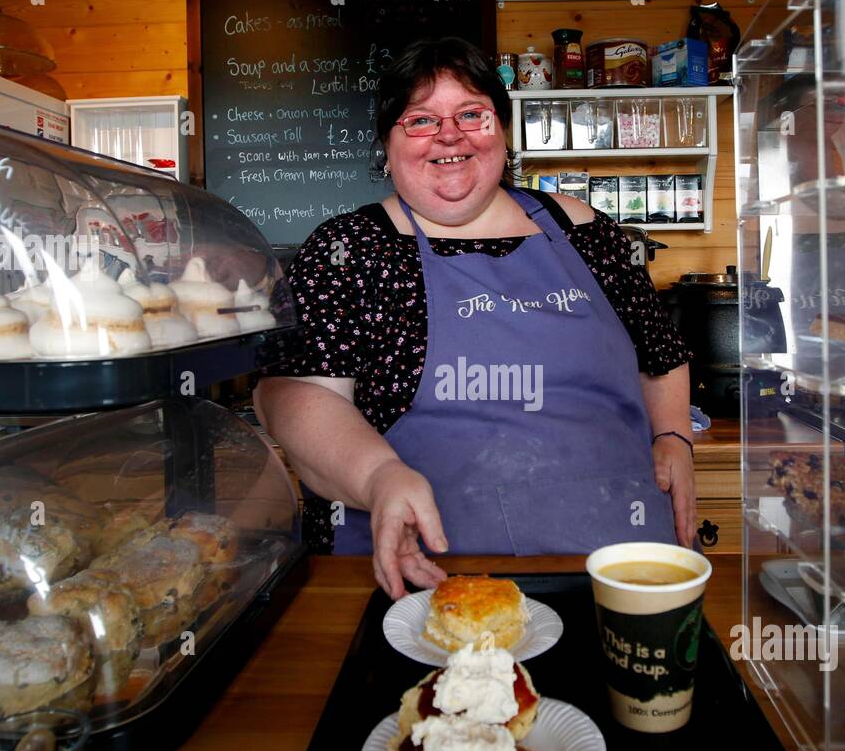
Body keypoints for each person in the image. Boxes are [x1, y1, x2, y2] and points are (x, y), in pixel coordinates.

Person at [255, 36, 694, 599]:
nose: (450, 135)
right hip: (427, 583)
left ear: (503, 133)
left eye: (472, 114)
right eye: (420, 120)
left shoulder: (586, 231)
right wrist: (377, 476)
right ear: (386, 144)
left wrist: (674, 436)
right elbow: (295, 397)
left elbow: (661, 355)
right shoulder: (351, 250)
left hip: (621, 564)